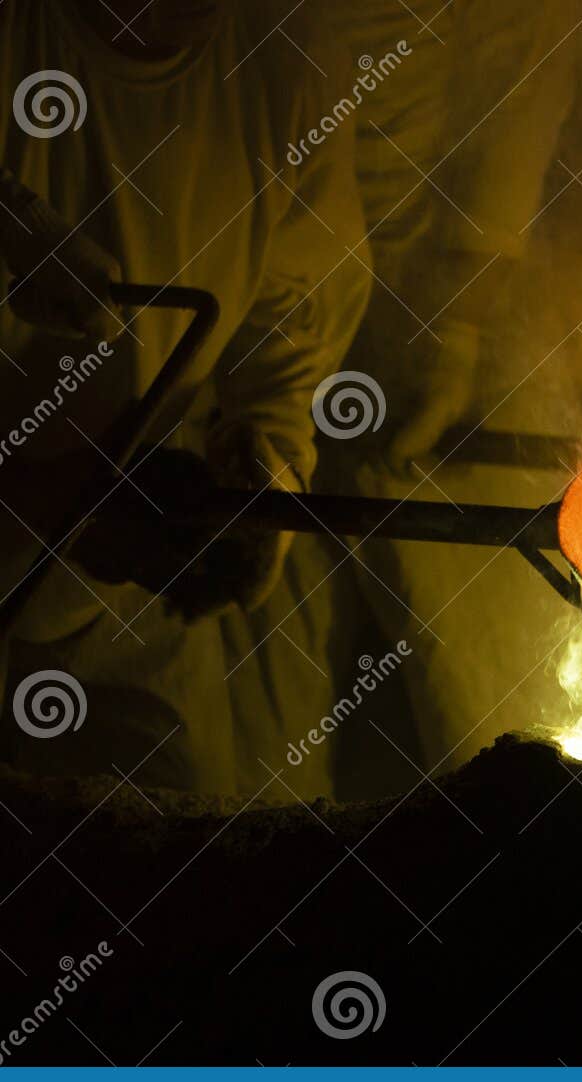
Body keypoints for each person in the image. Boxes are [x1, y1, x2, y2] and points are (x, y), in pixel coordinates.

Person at [0, 0, 371, 797]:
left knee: (180, 869)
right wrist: (56, 502)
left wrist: (260, 478)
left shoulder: (286, 57)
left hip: (125, 614)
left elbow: (288, 332)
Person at [309, 2, 582, 781]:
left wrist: (455, 320)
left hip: (461, 302)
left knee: (510, 708)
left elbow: (531, 42)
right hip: (285, 319)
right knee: (274, 726)